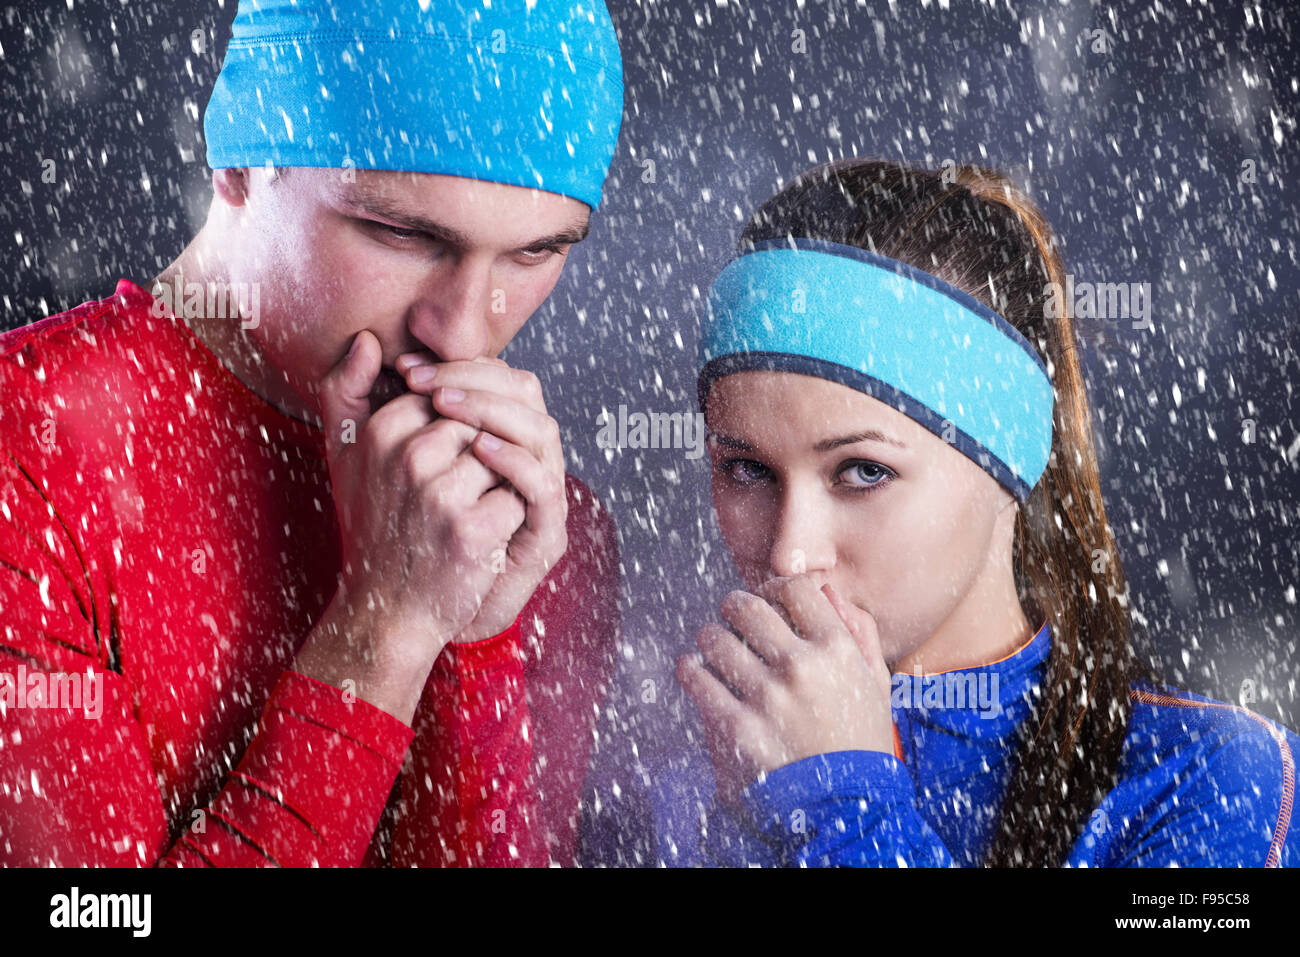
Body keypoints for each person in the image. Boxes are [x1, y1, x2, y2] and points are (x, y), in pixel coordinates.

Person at [0, 0, 624, 867]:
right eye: (403, 233)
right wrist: (385, 636)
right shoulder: (28, 454)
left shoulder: (538, 529)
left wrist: (475, 645)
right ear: (244, 164)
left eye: (536, 253)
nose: (465, 334)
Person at [581, 158, 1298, 867]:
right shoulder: (668, 807)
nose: (789, 556)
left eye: (863, 471)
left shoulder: (1218, 782)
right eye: (747, 469)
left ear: (1009, 466)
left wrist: (842, 807)